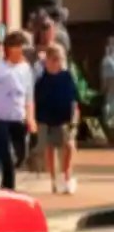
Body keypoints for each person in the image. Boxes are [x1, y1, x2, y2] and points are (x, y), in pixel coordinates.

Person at [0, 30, 36, 191]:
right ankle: (8, 186)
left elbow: (29, 94)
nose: (20, 52)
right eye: (17, 47)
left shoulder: (25, 69)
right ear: (8, 49)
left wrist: (31, 118)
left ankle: (9, 179)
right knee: (5, 154)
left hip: (17, 117)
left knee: (20, 154)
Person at [34, 43, 80, 194]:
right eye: (53, 59)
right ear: (47, 60)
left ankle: (67, 176)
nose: (56, 63)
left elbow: (74, 98)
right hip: (47, 118)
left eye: (59, 59)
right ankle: (54, 180)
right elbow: (36, 98)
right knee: (50, 148)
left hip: (66, 117)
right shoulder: (42, 79)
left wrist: (74, 116)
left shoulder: (67, 76)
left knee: (69, 146)